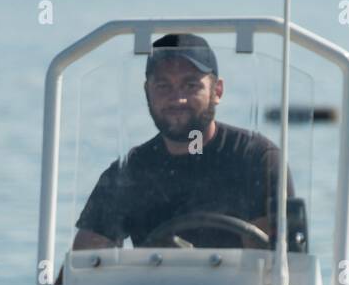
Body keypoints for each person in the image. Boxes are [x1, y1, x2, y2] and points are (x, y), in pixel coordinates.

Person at [72, 33, 294, 251]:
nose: (177, 99)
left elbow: (275, 267)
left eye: (190, 85)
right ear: (147, 92)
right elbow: (82, 267)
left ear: (217, 91)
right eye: (163, 86)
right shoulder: (129, 171)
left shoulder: (257, 160)